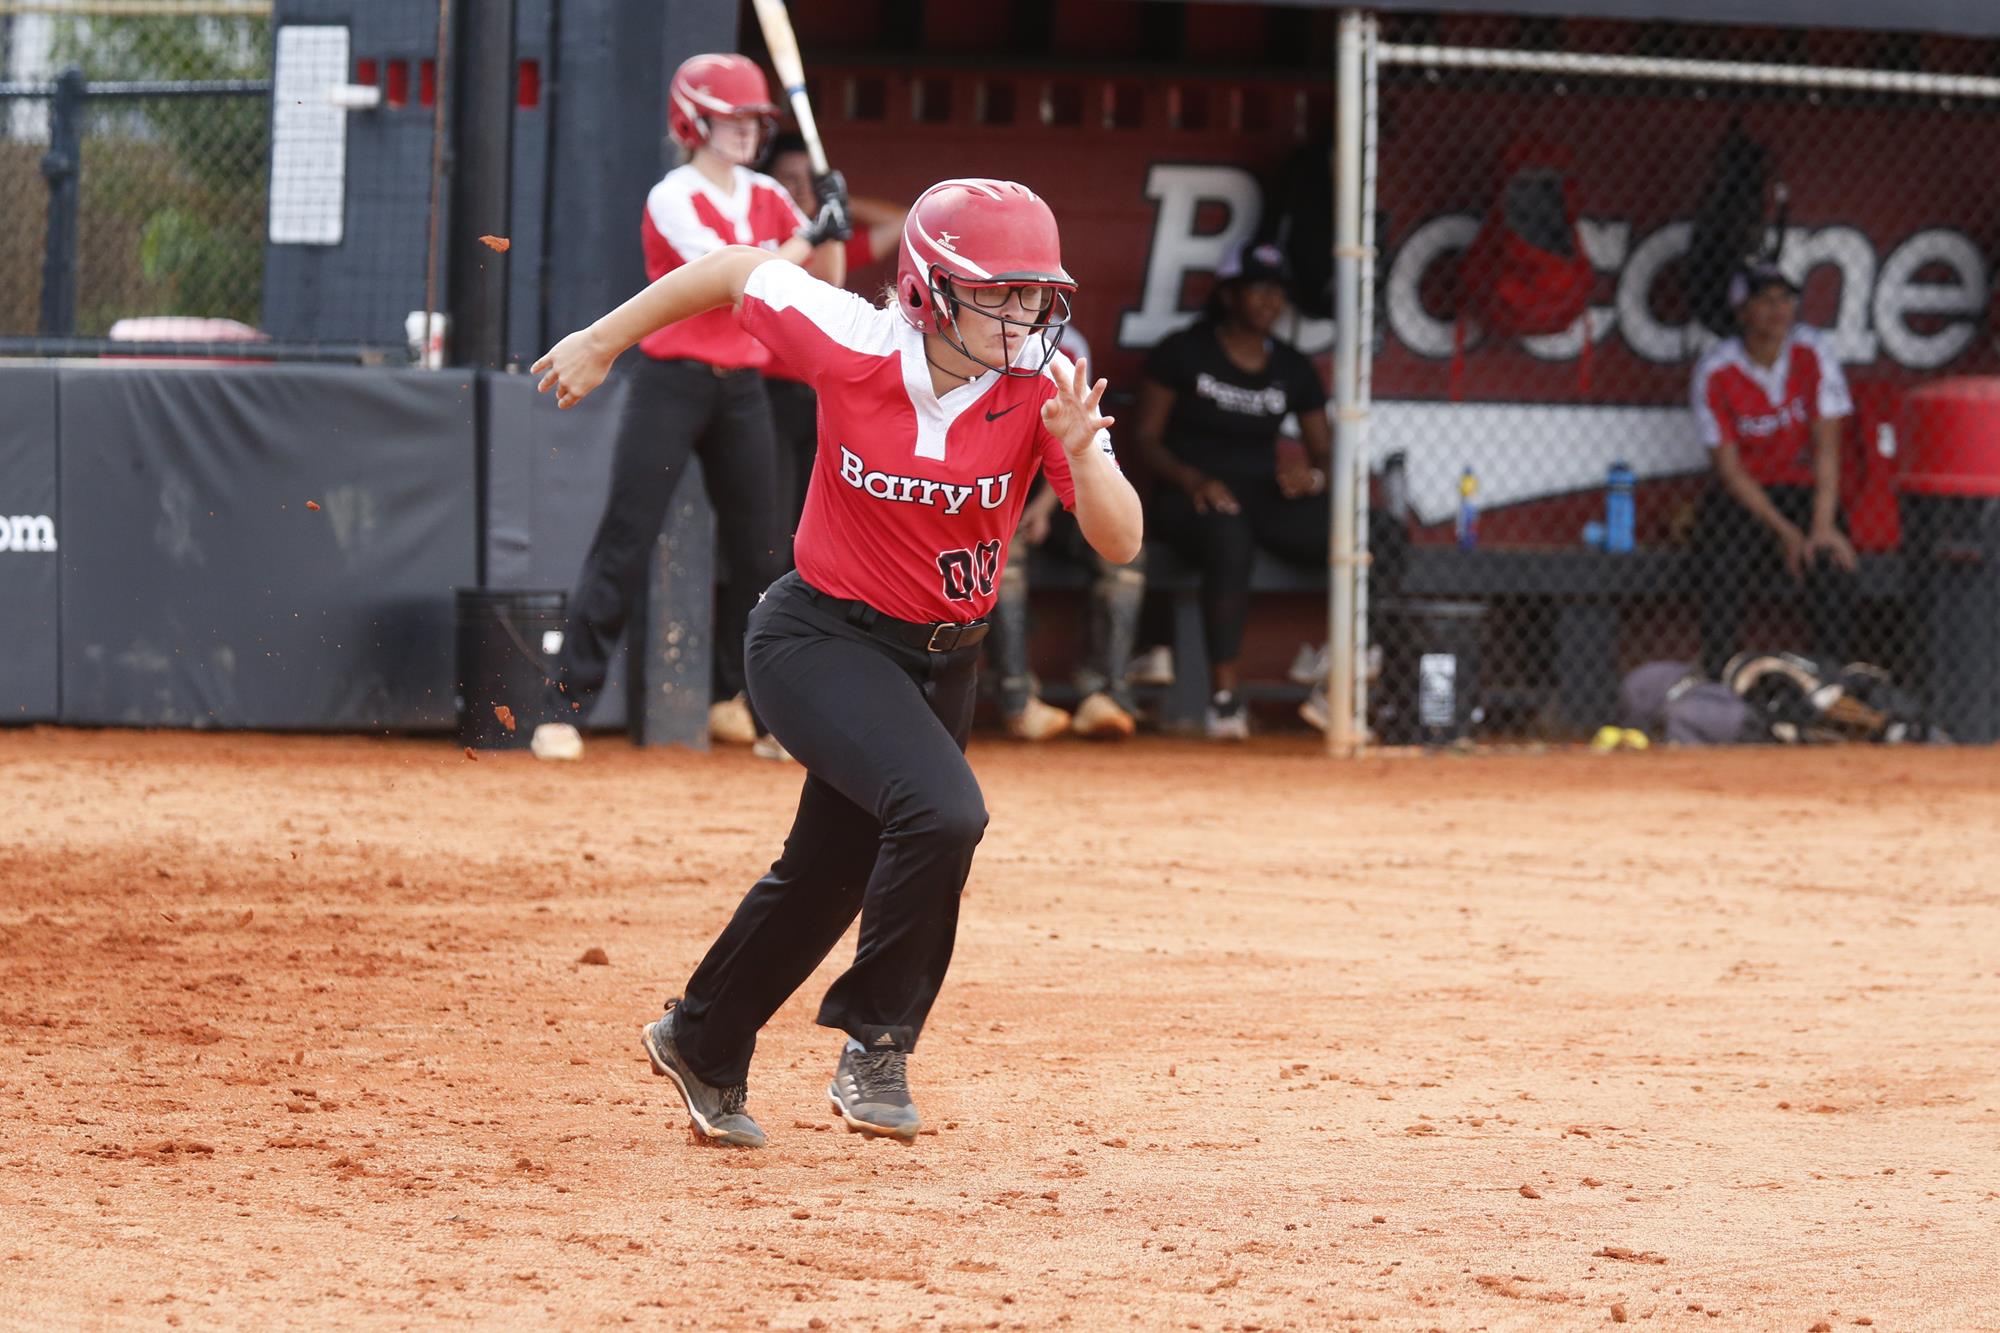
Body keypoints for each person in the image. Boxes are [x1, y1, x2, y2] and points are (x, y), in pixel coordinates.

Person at [531, 178, 1141, 1146]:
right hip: (815, 637)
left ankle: (702, 1035)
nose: (1023, 314)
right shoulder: (855, 338)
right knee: (943, 812)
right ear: (929, 291)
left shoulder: (1041, 390)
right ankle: (876, 1042)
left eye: (1033, 295)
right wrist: (606, 338)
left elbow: (1118, 541)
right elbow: (734, 270)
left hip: (942, 664)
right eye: (1000, 293)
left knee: (827, 870)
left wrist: (1086, 453)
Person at [531, 53, 849, 764]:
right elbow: (734, 280)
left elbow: (825, 282)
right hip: (671, 382)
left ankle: (770, 717)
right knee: (628, 536)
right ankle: (563, 707)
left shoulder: (768, 194)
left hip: (744, 386)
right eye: (732, 118)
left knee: (764, 554)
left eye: (754, 120)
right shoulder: (671, 195)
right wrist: (812, 230)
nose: (746, 131)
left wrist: (836, 227)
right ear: (695, 120)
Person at [1128, 242, 1331, 739]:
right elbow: (1145, 439)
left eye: (1279, 292)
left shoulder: (1292, 366)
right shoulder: (1184, 351)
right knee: (1228, 531)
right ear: (1229, 295)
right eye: (1259, 290)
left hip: (1262, 493)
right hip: (1190, 494)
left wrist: (1312, 475)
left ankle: (1340, 664)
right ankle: (1225, 698)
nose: (1271, 302)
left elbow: (1322, 452)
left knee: (1370, 530)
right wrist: (1191, 478)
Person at [1689, 259, 1858, 681]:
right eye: (1764, 301)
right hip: (1746, 498)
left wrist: (1820, 527)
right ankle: (1722, 680)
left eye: (1785, 299)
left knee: (1831, 563)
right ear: (1741, 313)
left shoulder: (1812, 351)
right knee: (1721, 563)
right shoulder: (1715, 370)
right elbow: (1730, 471)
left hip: (1803, 490)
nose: (1779, 310)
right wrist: (1786, 533)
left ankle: (1830, 684)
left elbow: (1827, 447)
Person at [989, 324, 1145, 740]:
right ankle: (1017, 699)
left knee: (1126, 561)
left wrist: (1042, 507)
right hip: (1000, 494)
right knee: (1004, 557)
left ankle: (1106, 692)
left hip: (1063, 487)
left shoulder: (1067, 343)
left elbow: (1066, 429)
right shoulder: (976, 336)